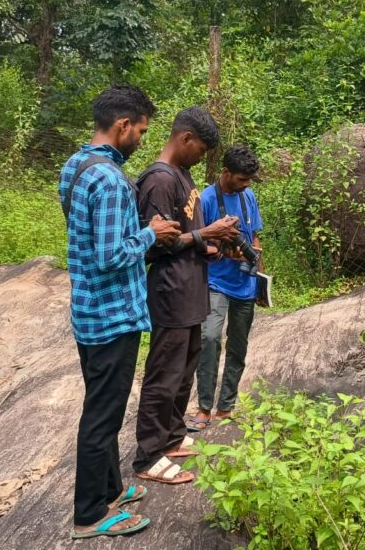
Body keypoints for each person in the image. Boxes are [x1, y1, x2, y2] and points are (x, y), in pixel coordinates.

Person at [59, 85, 181, 540]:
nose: (142, 140)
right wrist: (151, 233)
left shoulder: (76, 166)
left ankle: (110, 489)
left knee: (102, 405)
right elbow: (111, 255)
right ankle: (90, 515)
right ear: (123, 125)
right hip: (112, 316)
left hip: (88, 311)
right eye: (141, 131)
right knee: (102, 417)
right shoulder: (110, 181)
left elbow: (90, 241)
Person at [131, 106, 238, 485]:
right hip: (171, 291)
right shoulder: (159, 180)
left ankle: (172, 437)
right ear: (185, 138)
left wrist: (209, 243)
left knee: (184, 371)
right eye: (201, 149)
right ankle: (147, 454)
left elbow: (184, 235)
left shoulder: (183, 174)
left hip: (193, 287)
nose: (203, 157)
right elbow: (152, 245)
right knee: (164, 373)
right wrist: (203, 236)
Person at [188, 145, 263, 432]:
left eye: (249, 181)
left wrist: (259, 277)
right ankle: (204, 407)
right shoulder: (206, 199)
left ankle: (226, 406)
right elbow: (198, 241)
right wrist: (220, 251)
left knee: (238, 345)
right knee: (208, 338)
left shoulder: (249, 197)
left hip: (245, 283)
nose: (245, 185)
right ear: (226, 173)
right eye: (241, 179)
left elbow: (254, 239)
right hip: (215, 281)